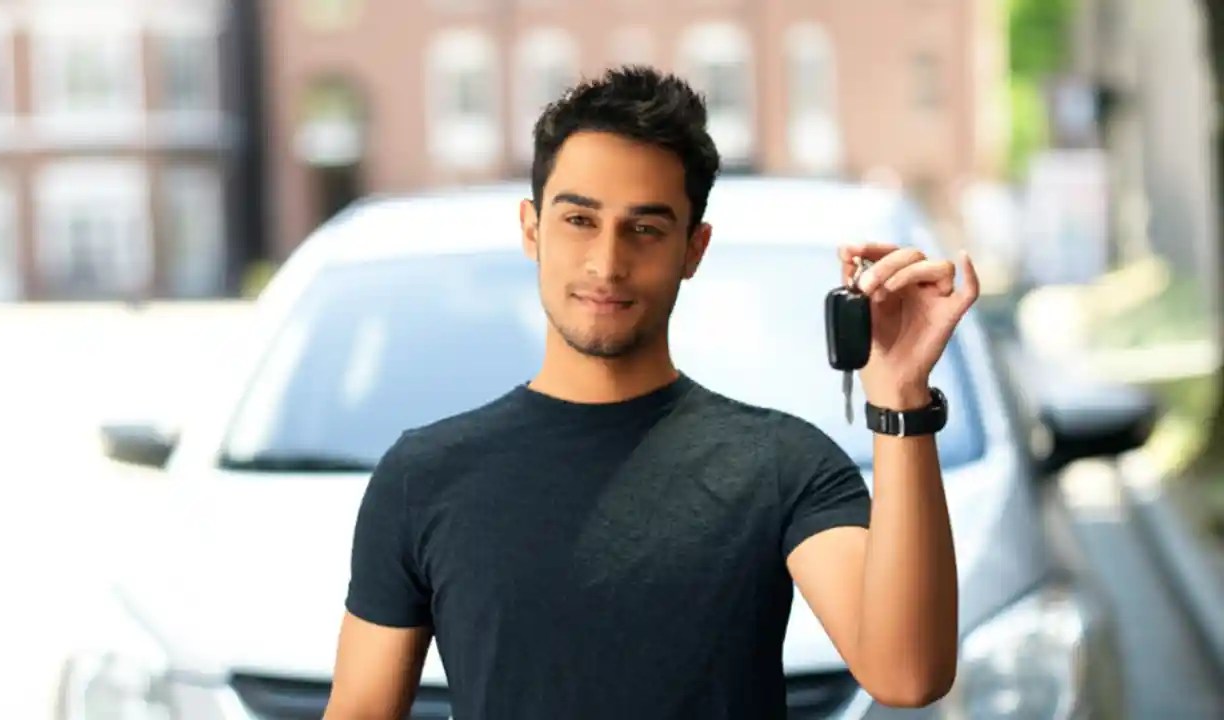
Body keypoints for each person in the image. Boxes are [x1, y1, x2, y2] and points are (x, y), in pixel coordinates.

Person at [325, 65, 979, 720]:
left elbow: (908, 673)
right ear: (531, 229)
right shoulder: (423, 476)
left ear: (694, 249)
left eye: (645, 228)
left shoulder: (780, 466)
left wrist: (900, 398)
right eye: (580, 219)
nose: (607, 263)